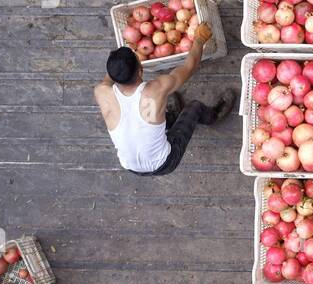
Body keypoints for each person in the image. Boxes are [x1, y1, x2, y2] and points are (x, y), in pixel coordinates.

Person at [95, 21, 236, 176]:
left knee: (151, 117)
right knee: (194, 107)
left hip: (131, 166)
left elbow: (111, 74)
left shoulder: (101, 92)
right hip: (165, 162)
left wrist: (118, 59)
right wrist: (199, 39)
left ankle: (173, 116)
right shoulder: (156, 90)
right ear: (141, 71)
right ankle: (214, 115)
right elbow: (189, 67)